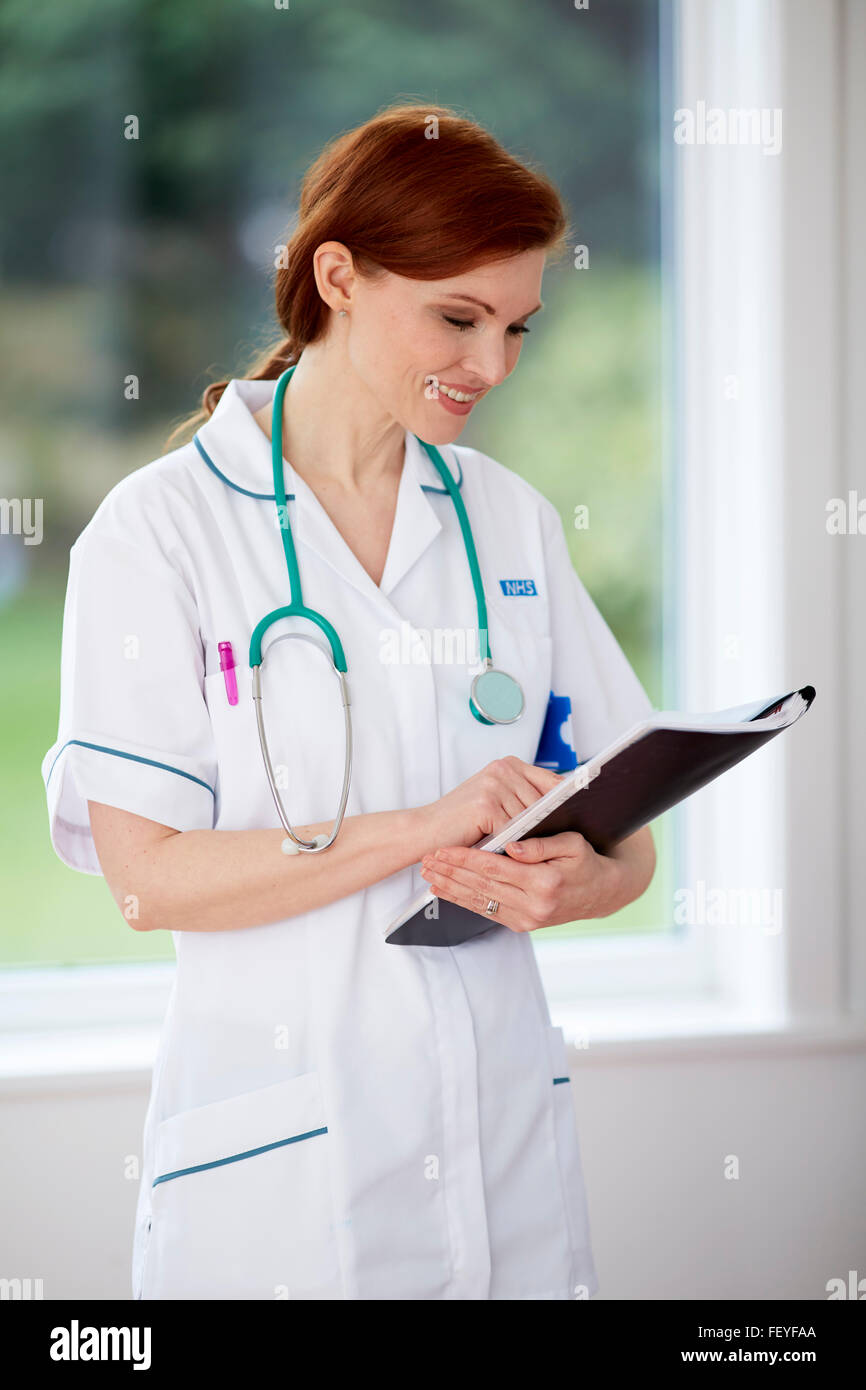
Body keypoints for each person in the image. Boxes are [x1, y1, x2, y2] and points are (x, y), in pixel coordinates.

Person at [42, 102, 656, 1301]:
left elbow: (620, 830)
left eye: (517, 326)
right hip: (282, 1179)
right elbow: (144, 879)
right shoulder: (162, 531)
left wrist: (588, 882)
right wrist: (422, 826)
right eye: (457, 317)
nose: (492, 365)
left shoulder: (508, 521)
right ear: (337, 275)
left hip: (501, 1151)